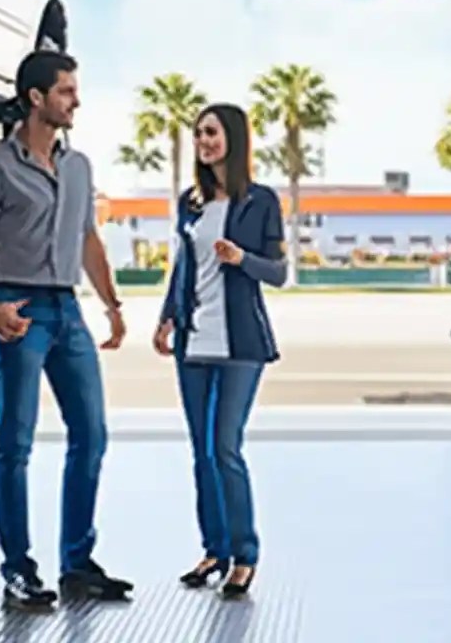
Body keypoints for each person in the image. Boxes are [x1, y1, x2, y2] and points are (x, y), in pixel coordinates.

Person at [0, 50, 133, 610]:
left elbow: (87, 240)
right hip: (19, 309)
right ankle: (18, 572)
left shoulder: (78, 166)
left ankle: (77, 564)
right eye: (65, 92)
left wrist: (112, 304)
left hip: (70, 313)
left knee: (92, 436)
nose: (75, 101)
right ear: (36, 98)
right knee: (16, 444)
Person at [152, 103, 287, 599]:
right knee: (201, 453)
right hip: (194, 338)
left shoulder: (262, 201)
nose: (203, 142)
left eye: (210, 132)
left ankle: (245, 555)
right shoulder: (190, 202)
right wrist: (167, 316)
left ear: (232, 137)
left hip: (241, 343)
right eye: (198, 134)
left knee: (224, 447)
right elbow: (182, 268)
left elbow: (278, 272)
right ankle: (214, 550)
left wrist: (241, 258)